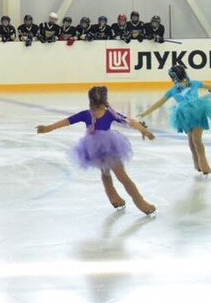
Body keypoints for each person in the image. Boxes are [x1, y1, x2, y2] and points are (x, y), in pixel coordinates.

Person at [36, 86, 156, 216]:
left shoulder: (91, 114)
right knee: (122, 177)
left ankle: (114, 198)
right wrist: (144, 130)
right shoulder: (107, 113)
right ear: (105, 101)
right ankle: (141, 203)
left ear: (90, 101)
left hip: (95, 148)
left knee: (105, 172)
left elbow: (67, 121)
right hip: (106, 147)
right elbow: (130, 122)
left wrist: (49, 128)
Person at [138, 63, 211, 176]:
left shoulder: (179, 88)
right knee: (192, 139)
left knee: (196, 140)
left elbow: (159, 103)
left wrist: (146, 112)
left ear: (173, 77)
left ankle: (204, 165)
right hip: (187, 115)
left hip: (195, 112)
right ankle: (198, 164)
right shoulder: (190, 85)